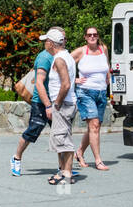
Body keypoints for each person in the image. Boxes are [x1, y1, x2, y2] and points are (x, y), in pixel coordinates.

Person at [11, 29, 54, 177]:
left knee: (61, 133)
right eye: (47, 40)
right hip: (40, 102)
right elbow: (39, 83)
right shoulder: (44, 58)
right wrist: (48, 105)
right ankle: (17, 157)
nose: (46, 43)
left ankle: (64, 167)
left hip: (55, 100)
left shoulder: (58, 56)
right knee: (32, 131)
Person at [44, 27, 78, 186]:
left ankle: (66, 173)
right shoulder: (67, 56)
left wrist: (57, 103)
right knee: (62, 137)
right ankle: (64, 171)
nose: (44, 44)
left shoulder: (59, 59)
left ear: (51, 43)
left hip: (63, 103)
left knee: (63, 139)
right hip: (67, 102)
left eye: (46, 41)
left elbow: (65, 84)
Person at [73, 27, 110, 170]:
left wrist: (108, 78)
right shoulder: (80, 52)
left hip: (101, 92)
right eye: (89, 35)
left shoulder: (103, 49)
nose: (92, 37)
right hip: (85, 92)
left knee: (95, 126)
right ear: (85, 37)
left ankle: (79, 152)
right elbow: (61, 65)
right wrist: (74, 80)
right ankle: (98, 161)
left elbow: (107, 65)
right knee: (94, 125)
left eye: (95, 34)